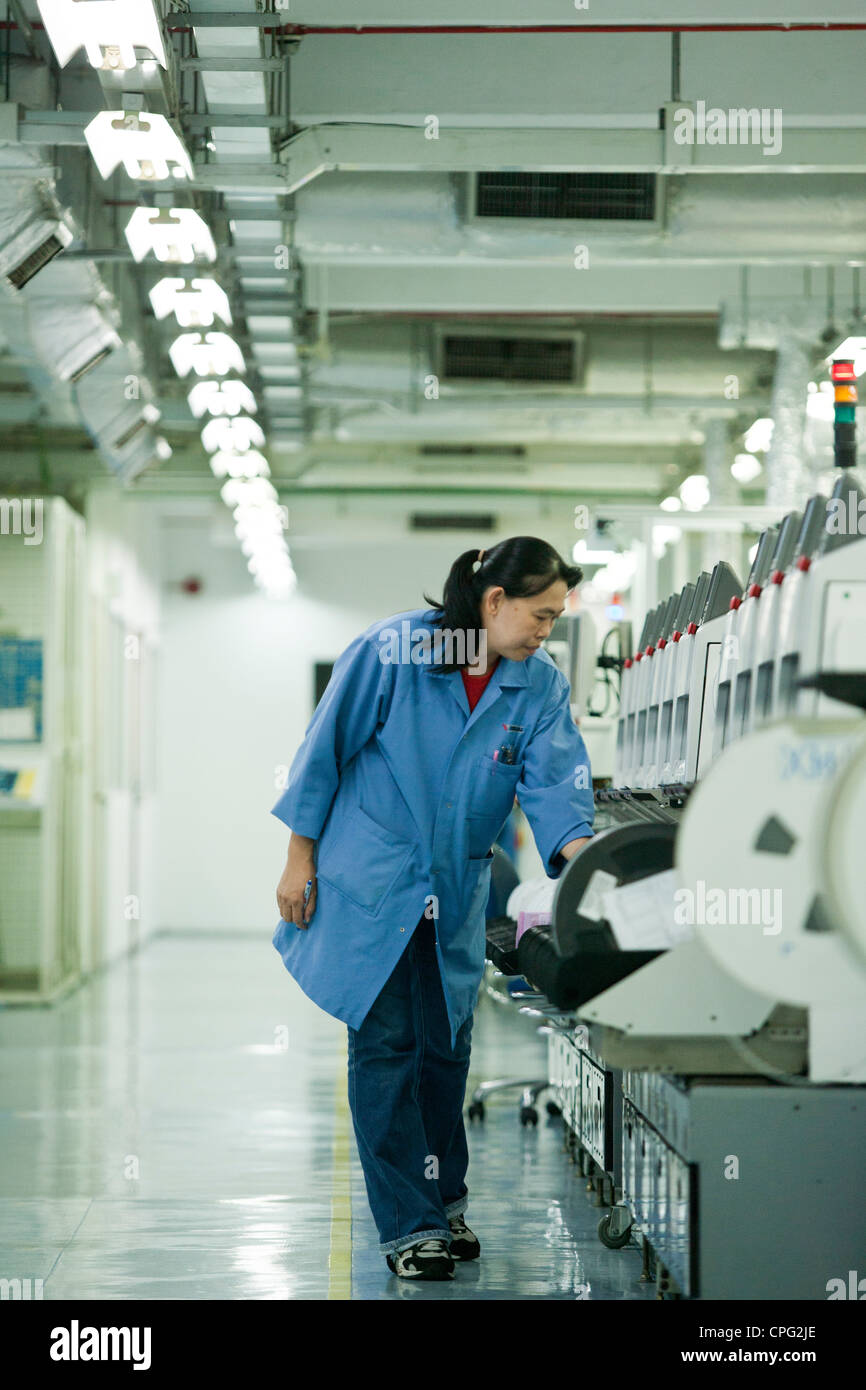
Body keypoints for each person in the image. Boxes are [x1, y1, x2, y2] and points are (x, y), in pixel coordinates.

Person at [271, 536, 595, 1280]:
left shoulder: (537, 686)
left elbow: (554, 786)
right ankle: (409, 1228)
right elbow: (323, 751)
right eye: (540, 615)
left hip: (453, 886)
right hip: (373, 879)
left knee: (447, 1046)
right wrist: (299, 858)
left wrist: (591, 863)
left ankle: (445, 1201)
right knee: (387, 1047)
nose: (547, 631)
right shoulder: (394, 652)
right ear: (494, 601)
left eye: (555, 620)